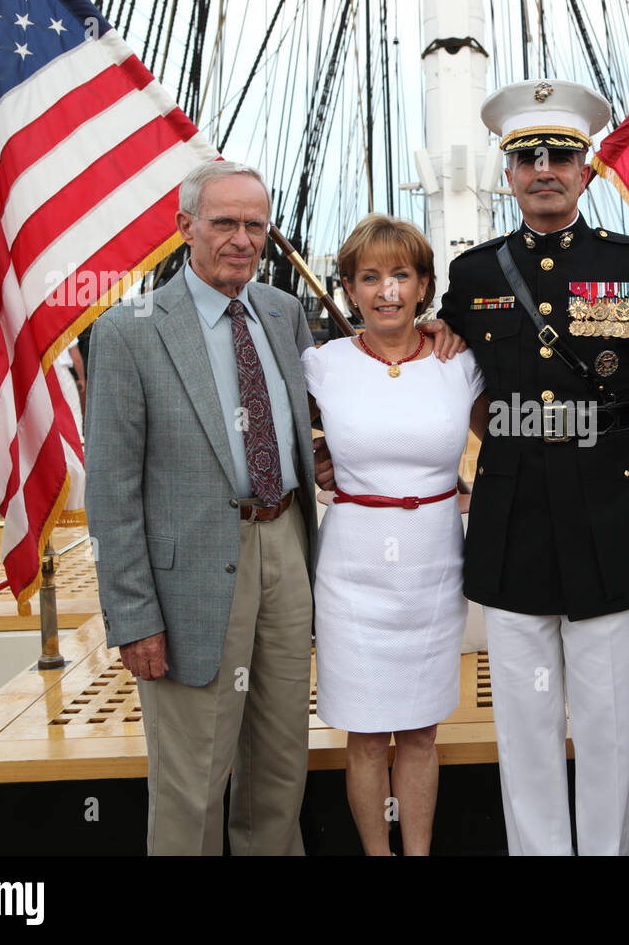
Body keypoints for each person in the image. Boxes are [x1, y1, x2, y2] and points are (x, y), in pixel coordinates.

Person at [85, 160, 458, 855]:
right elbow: (110, 492)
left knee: (279, 761)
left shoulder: (283, 315)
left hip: (286, 544)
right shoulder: (130, 332)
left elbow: (357, 394)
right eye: (223, 222)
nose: (240, 239)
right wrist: (133, 617)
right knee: (193, 774)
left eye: (255, 225)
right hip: (191, 572)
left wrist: (436, 336)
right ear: (184, 227)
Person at [437, 79, 629, 855]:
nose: (543, 168)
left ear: (587, 170)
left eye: (560, 154)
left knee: (610, 720)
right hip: (512, 517)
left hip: (613, 515)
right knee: (522, 722)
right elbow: (432, 368)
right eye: (527, 157)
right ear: (509, 173)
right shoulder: (475, 277)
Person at [301, 214, 486, 855]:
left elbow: (516, 440)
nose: (387, 291)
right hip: (353, 572)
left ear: (424, 285)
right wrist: (317, 458)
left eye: (401, 275)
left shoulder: (459, 364)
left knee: (421, 732)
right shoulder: (320, 366)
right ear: (349, 288)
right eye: (370, 277)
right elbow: (273, 441)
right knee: (364, 734)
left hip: (433, 566)